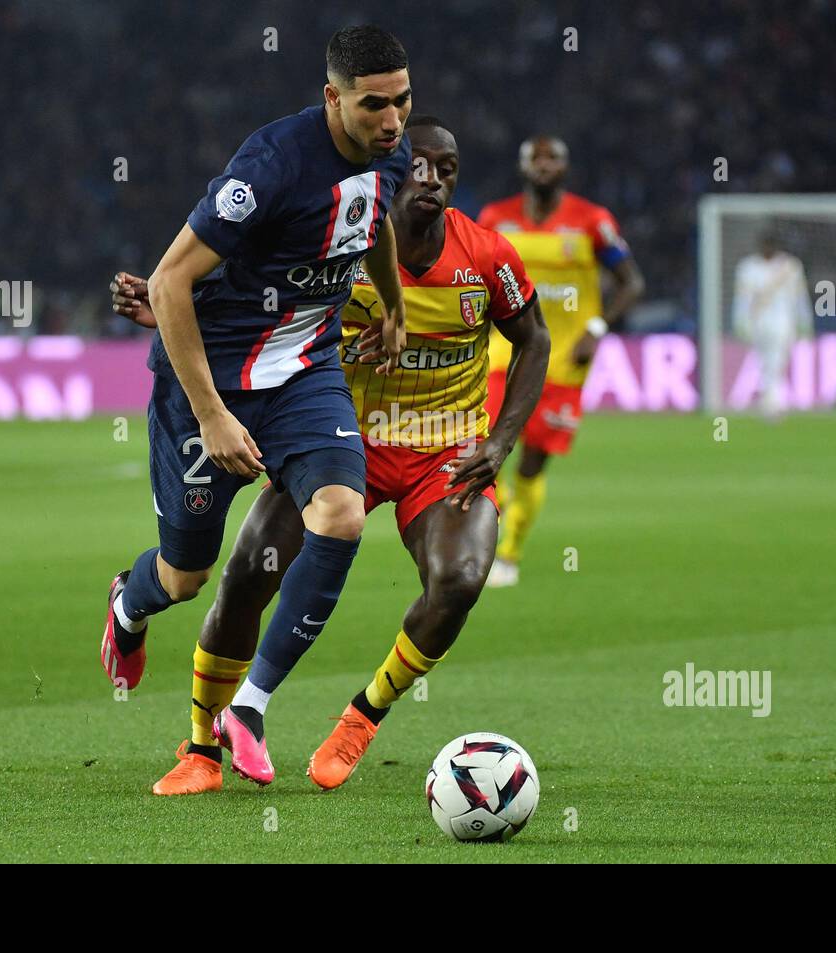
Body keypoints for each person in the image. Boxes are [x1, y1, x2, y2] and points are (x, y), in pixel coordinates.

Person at [110, 117, 550, 794]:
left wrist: (499, 441)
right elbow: (265, 300)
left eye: (447, 168)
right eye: (420, 164)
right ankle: (202, 745)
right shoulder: (336, 250)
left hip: (445, 451)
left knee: (460, 579)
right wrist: (180, 304)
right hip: (341, 432)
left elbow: (535, 340)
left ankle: (362, 716)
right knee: (240, 580)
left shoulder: (487, 258)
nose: (430, 178)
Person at [98, 25, 413, 787]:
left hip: (306, 372)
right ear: (333, 98)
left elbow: (372, 220)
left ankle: (251, 706)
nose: (394, 121)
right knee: (185, 577)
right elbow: (171, 281)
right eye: (375, 105)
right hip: (212, 383)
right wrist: (210, 415)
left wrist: (394, 306)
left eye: (403, 101)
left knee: (339, 513)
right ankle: (128, 606)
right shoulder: (270, 164)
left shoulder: (389, 151)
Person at [477, 136, 644, 587]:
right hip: (501, 353)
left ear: (566, 169)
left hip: (564, 360)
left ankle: (510, 552)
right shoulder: (496, 218)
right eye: (537, 158)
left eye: (553, 159)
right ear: (523, 166)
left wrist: (596, 328)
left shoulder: (592, 221)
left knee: (532, 461)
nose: (545, 165)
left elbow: (631, 282)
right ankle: (491, 532)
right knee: (481, 444)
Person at [731, 228, 812, 419]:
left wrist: (804, 320)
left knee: (776, 363)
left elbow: (800, 297)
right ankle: (772, 404)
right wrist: (740, 320)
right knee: (768, 363)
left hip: (784, 320)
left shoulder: (790, 266)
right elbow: (742, 298)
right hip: (758, 321)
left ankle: (771, 405)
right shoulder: (748, 267)